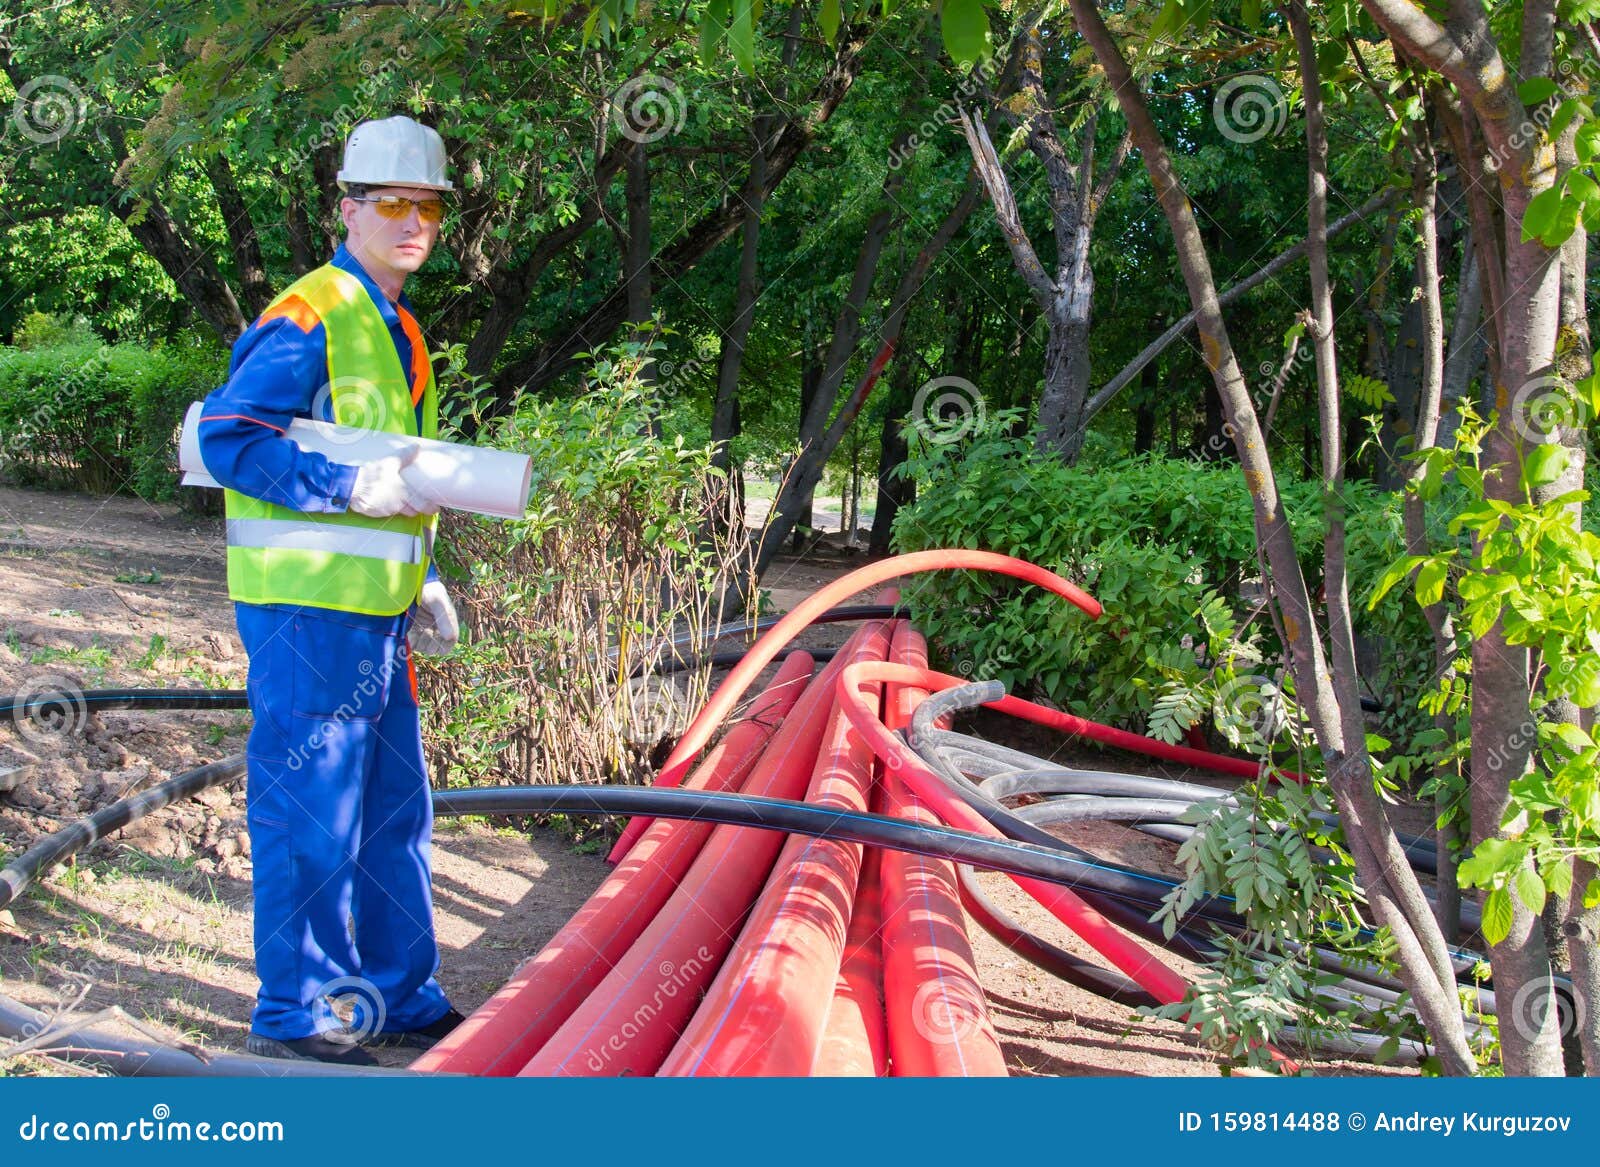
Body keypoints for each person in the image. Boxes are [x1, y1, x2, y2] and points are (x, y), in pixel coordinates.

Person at [196, 115, 466, 1065]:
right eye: (390, 200)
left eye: (426, 203)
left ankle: (395, 989)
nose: (411, 219)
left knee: (394, 807)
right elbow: (229, 436)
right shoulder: (313, 313)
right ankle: (302, 1007)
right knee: (316, 806)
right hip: (306, 610)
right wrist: (344, 487)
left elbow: (404, 476)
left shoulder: (398, 326)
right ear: (347, 207)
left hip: (375, 614)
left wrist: (423, 575)